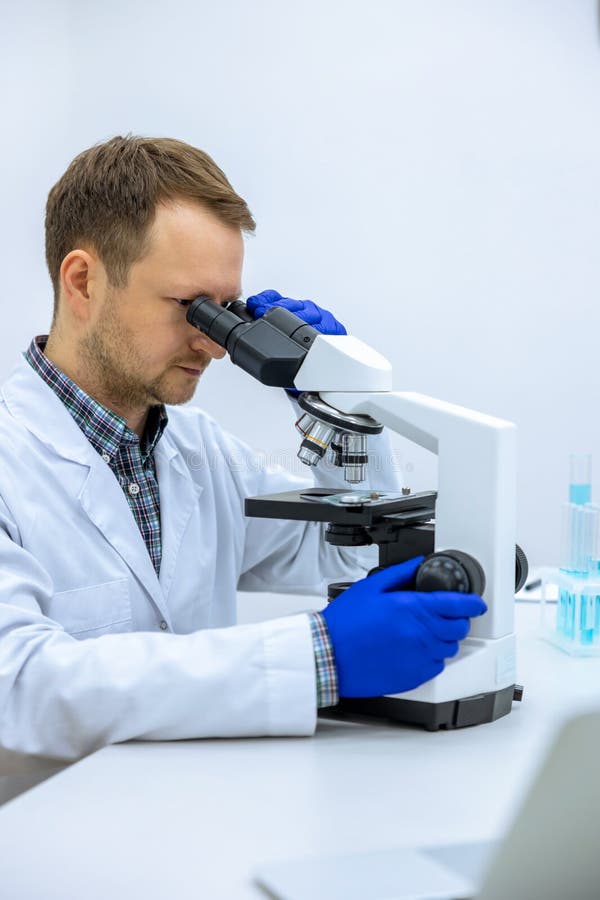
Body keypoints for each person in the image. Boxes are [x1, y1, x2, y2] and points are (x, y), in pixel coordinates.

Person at [0, 136, 485, 760]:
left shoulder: (201, 452)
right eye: (190, 307)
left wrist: (341, 403)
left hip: (203, 802)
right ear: (83, 281)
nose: (215, 344)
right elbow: (21, 685)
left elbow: (344, 556)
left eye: (223, 312)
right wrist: (317, 658)